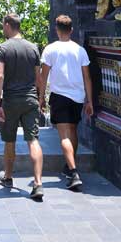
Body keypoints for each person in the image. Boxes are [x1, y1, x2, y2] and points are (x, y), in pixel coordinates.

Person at [37, 14, 94, 191]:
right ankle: (70, 166)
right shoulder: (80, 50)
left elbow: (43, 75)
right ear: (71, 30)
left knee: (63, 135)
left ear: (56, 29)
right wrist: (89, 100)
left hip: (59, 94)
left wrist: (41, 97)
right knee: (72, 130)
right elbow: (87, 77)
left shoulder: (50, 49)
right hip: (77, 96)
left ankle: (74, 171)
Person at [0, 12, 44, 200]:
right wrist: (40, 98)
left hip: (11, 101)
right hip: (30, 99)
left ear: (7, 25)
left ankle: (8, 176)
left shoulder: (2, 48)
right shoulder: (33, 48)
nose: (2, 29)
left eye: (2, 25)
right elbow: (38, 78)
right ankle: (38, 183)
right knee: (33, 140)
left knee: (10, 140)